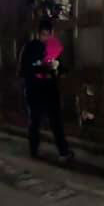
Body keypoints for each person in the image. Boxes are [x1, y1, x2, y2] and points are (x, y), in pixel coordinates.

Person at [19, 19, 72, 162]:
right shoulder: (30, 47)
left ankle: (63, 151)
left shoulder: (55, 47)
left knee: (56, 121)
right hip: (34, 88)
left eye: (48, 35)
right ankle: (34, 150)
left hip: (50, 88)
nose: (46, 38)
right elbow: (24, 70)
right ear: (38, 34)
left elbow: (63, 68)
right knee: (35, 120)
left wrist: (58, 68)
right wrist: (43, 68)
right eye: (43, 34)